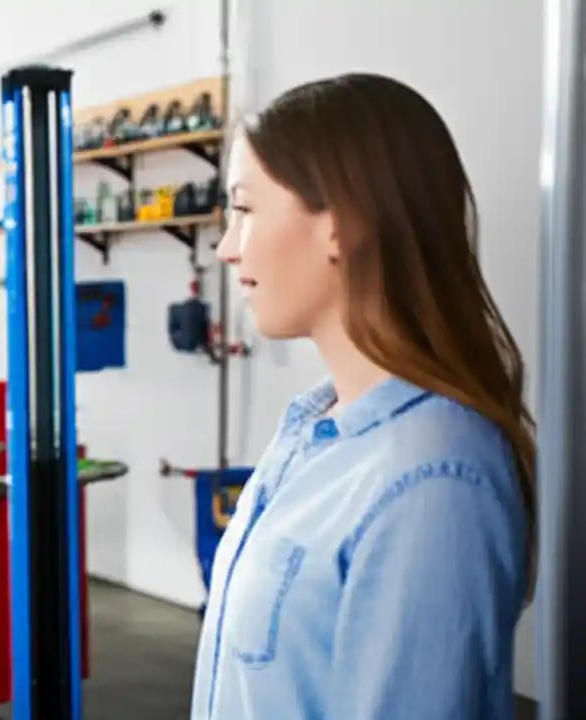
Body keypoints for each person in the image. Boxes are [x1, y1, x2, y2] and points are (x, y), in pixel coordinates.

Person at [193, 73, 535, 720]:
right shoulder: (312, 430)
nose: (227, 248)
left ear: (340, 224)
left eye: (243, 209)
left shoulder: (433, 480)